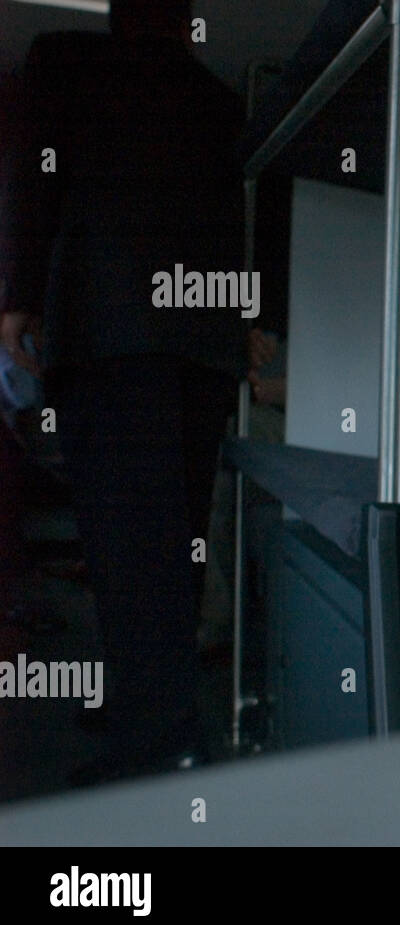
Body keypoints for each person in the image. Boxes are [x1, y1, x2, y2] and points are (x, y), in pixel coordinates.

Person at [0, 0, 248, 779]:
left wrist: (19, 296)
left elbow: (35, 175)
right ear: (185, 18)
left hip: (113, 324)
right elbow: (237, 216)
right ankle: (149, 701)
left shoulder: (63, 60)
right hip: (201, 337)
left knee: (122, 540)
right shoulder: (217, 98)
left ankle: (160, 739)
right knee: (173, 539)